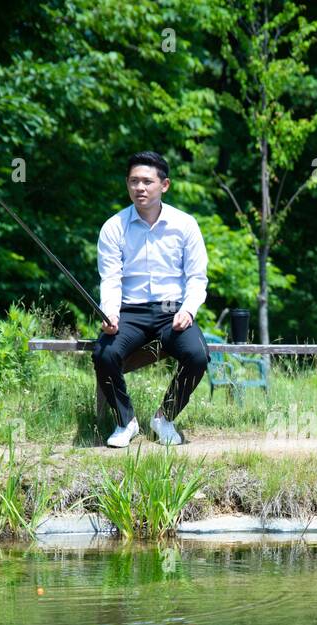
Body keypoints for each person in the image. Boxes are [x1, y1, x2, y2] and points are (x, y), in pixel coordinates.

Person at [93, 151, 209, 447]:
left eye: (147, 181)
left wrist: (189, 310)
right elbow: (110, 279)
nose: (139, 188)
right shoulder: (113, 227)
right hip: (129, 312)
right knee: (104, 354)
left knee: (197, 355)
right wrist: (110, 314)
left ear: (164, 185)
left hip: (173, 312)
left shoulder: (185, 225)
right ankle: (125, 421)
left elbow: (197, 278)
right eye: (133, 181)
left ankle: (164, 417)